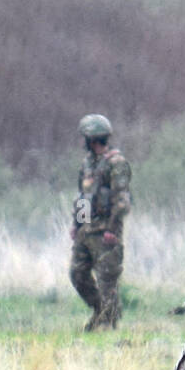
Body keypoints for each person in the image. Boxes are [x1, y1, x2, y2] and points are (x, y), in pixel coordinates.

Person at [69, 114, 131, 331]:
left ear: (92, 138)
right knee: (77, 274)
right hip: (87, 230)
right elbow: (83, 196)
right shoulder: (87, 164)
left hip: (106, 232)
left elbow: (122, 201)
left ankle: (107, 322)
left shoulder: (116, 163)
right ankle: (101, 311)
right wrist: (77, 225)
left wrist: (112, 230)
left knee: (107, 281)